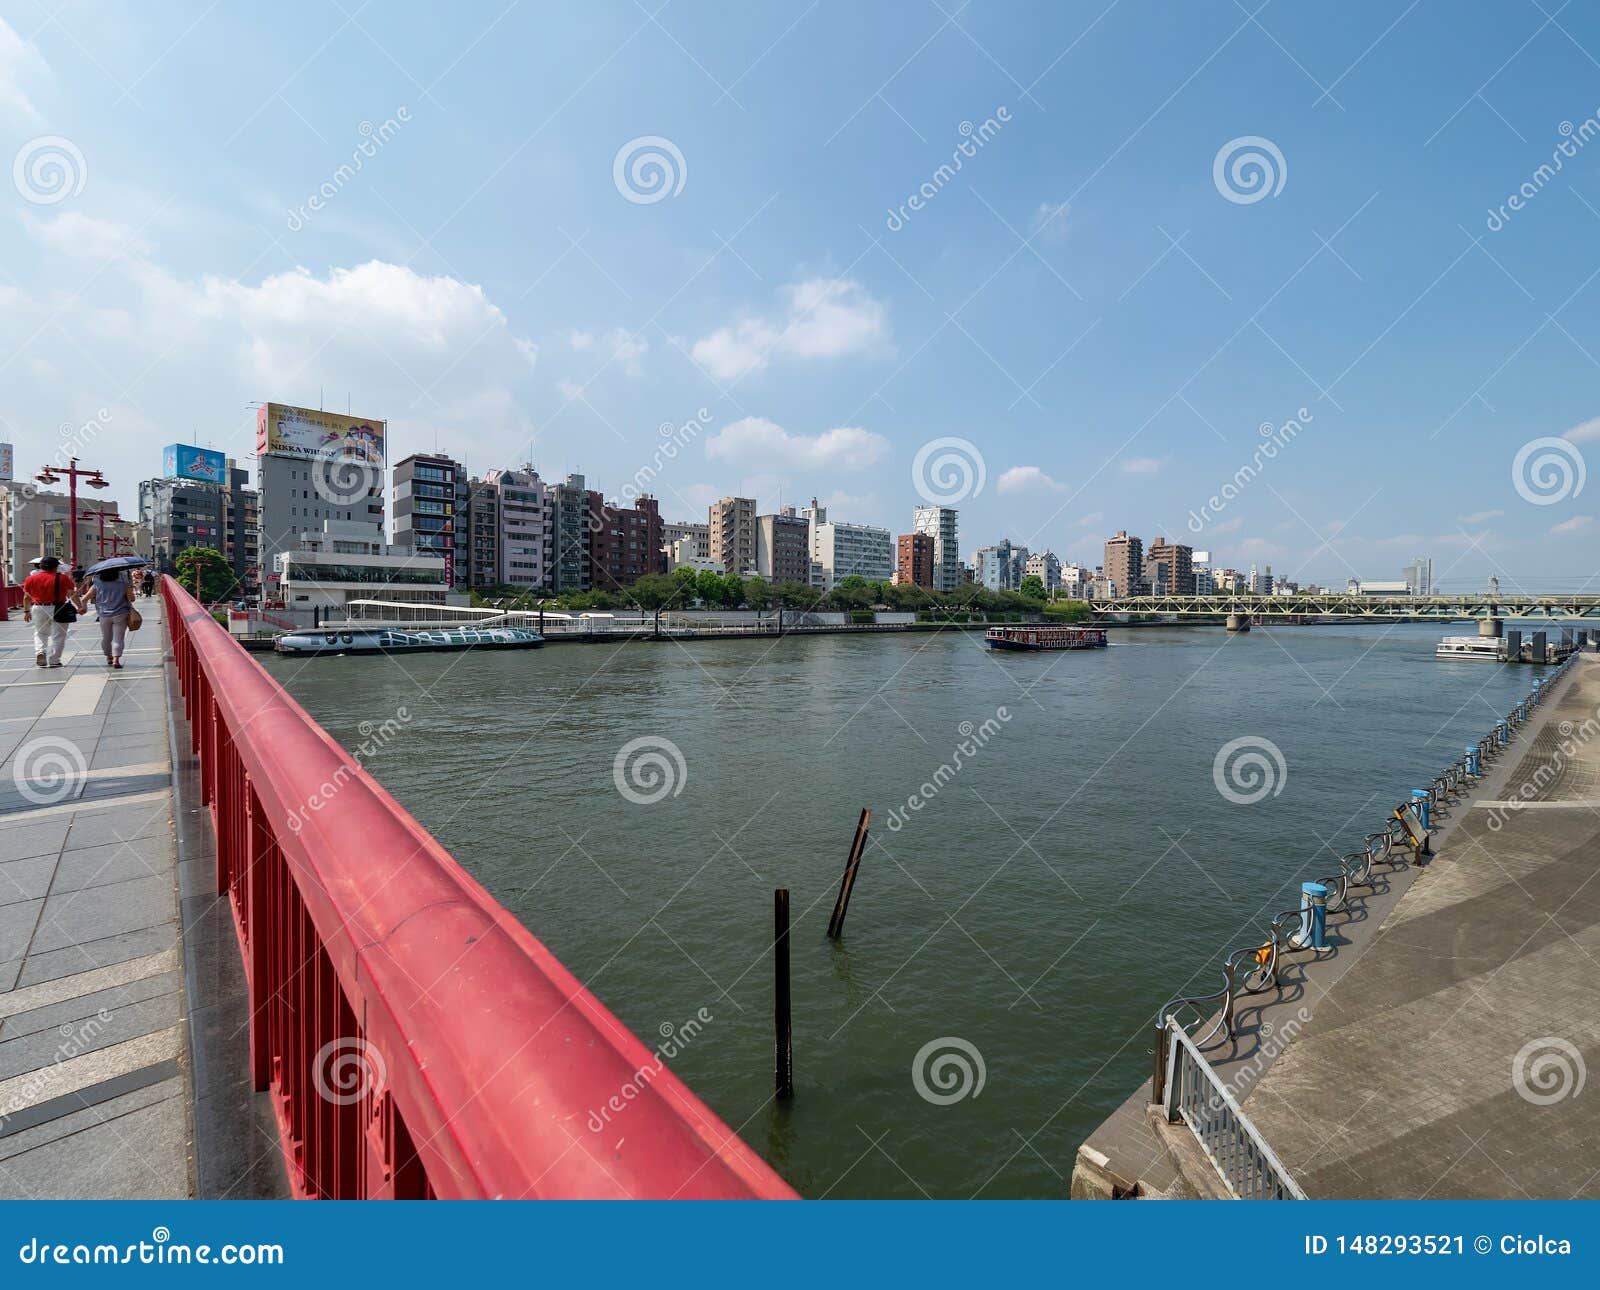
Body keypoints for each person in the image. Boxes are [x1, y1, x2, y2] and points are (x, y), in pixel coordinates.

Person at [22, 556, 76, 668]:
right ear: (56, 567)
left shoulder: (30, 579)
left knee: (40, 632)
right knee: (59, 635)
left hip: (38, 607)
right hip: (59, 607)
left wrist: (26, 611)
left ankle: (40, 652)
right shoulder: (63, 578)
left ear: (41, 566)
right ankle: (54, 660)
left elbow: (26, 597)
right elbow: (71, 593)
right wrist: (80, 606)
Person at [81, 567, 134, 668]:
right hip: (120, 613)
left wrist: (84, 607)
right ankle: (116, 659)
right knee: (118, 638)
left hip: (103, 614)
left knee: (106, 637)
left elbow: (84, 598)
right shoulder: (123, 584)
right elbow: (131, 598)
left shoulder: (97, 584)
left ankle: (109, 656)